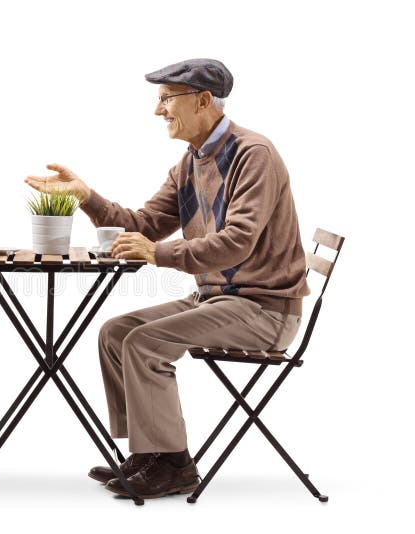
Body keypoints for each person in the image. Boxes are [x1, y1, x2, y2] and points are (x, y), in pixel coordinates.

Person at [25, 58, 308, 499]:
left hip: (264, 309)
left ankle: (174, 465)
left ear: (203, 101)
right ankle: (149, 454)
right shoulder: (191, 163)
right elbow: (143, 223)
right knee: (116, 333)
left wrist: (157, 255)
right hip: (220, 300)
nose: (159, 112)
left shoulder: (254, 154)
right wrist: (85, 196)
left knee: (144, 343)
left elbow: (237, 242)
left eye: (166, 99)